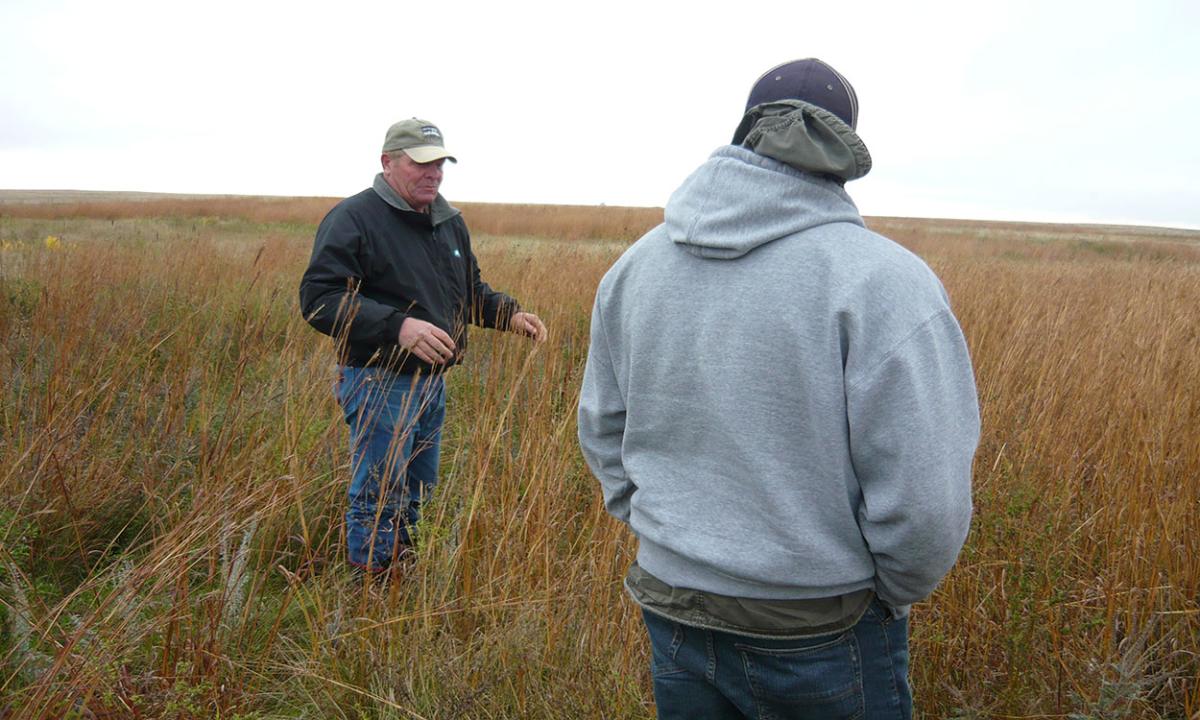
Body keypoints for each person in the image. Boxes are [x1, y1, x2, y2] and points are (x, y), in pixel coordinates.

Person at [577, 59, 980, 718]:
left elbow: (602, 435)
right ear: (843, 150)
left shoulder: (635, 268)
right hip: (821, 627)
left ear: (746, 134)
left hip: (673, 606)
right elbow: (926, 508)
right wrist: (887, 593)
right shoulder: (885, 283)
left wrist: (674, 539)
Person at [300, 118, 546, 574]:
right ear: (388, 163)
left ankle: (402, 575)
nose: (434, 174)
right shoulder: (354, 219)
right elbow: (319, 300)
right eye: (422, 164)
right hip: (378, 380)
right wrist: (398, 328)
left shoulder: (448, 223)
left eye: (440, 164)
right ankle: (371, 589)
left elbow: (467, 291)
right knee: (378, 495)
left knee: (417, 494)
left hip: (432, 385)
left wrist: (508, 314)